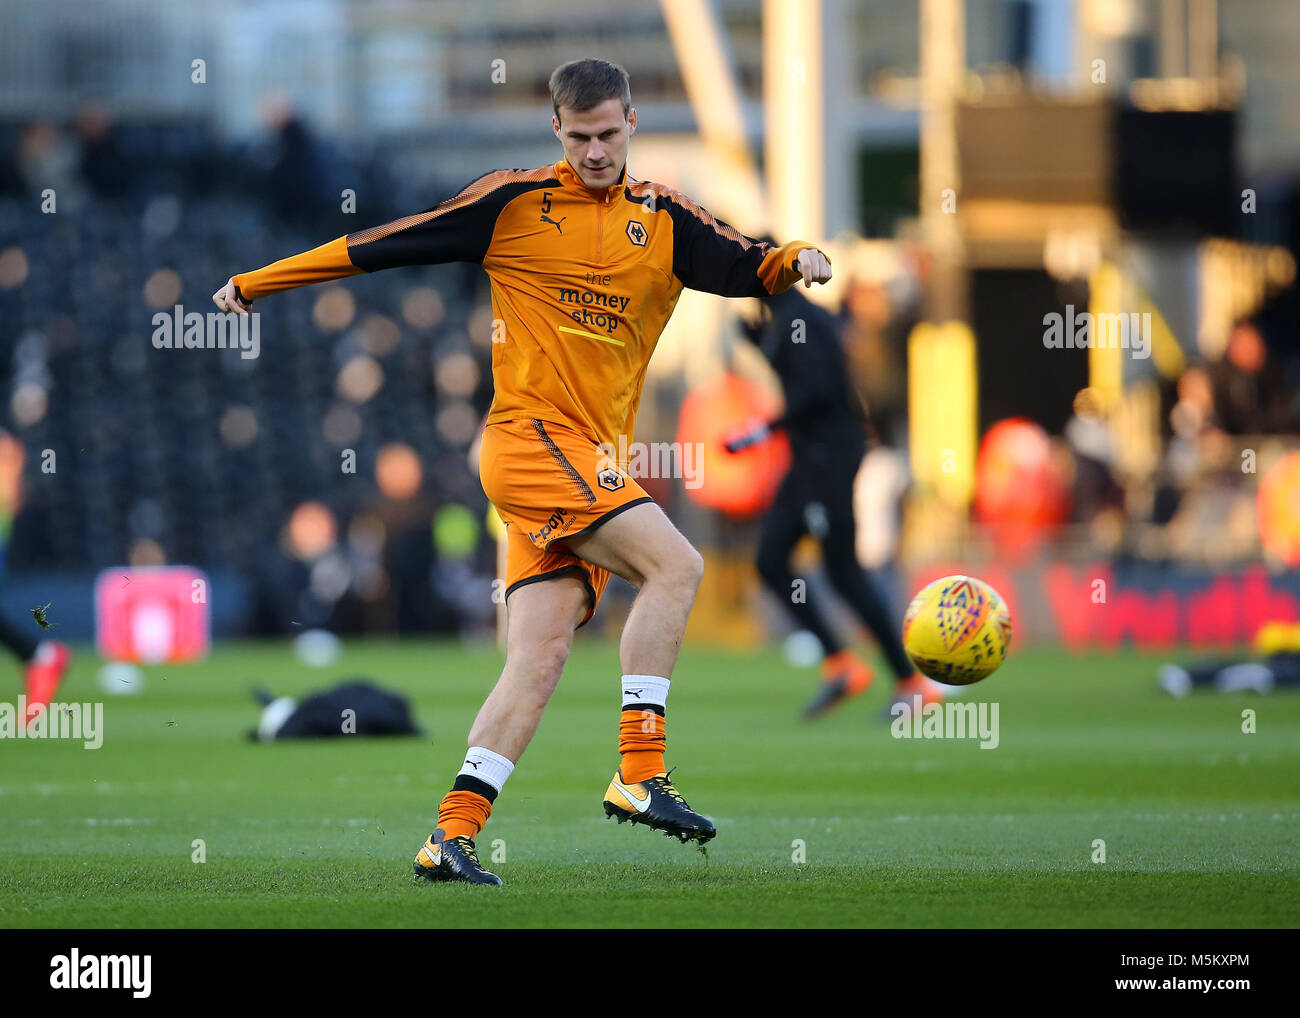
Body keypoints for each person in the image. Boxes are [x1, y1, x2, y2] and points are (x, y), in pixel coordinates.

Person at [213, 58, 833, 886]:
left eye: (609, 134)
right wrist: (258, 282)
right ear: (556, 132)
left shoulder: (668, 221)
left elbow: (749, 263)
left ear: (632, 124)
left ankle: (450, 836)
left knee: (535, 663)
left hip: (587, 463)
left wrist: (798, 260)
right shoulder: (512, 204)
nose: (596, 151)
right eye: (579, 137)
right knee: (677, 566)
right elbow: (382, 245)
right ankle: (641, 774)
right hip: (531, 444)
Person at [725, 263, 940, 717]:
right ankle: (842, 664)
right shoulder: (794, 318)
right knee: (772, 559)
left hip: (828, 458)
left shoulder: (796, 321)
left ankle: (911, 681)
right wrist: (764, 348)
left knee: (842, 569)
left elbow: (817, 392)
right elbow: (810, 380)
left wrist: (761, 430)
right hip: (811, 458)